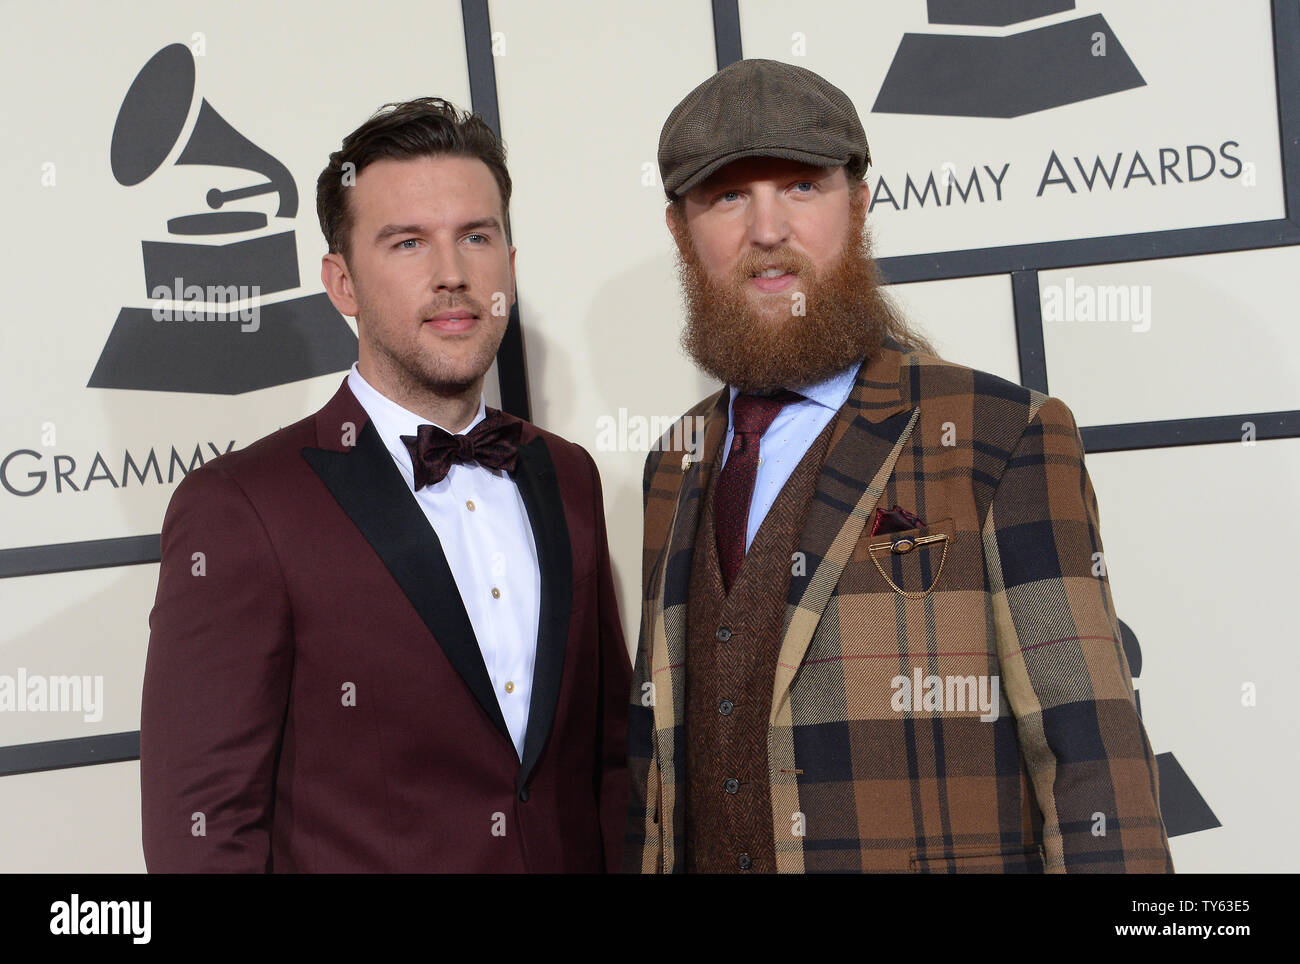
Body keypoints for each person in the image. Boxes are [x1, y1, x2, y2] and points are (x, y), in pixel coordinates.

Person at [624, 60, 1172, 873]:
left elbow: (1092, 757)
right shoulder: (676, 460)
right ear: (680, 229)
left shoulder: (1002, 434)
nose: (767, 229)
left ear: (861, 203)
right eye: (729, 195)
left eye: (803, 187)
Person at [141, 97, 630, 872]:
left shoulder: (566, 473)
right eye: (407, 243)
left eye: (477, 236)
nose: (452, 274)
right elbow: (203, 830)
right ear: (343, 284)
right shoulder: (240, 509)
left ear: (510, 258)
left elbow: (608, 765)